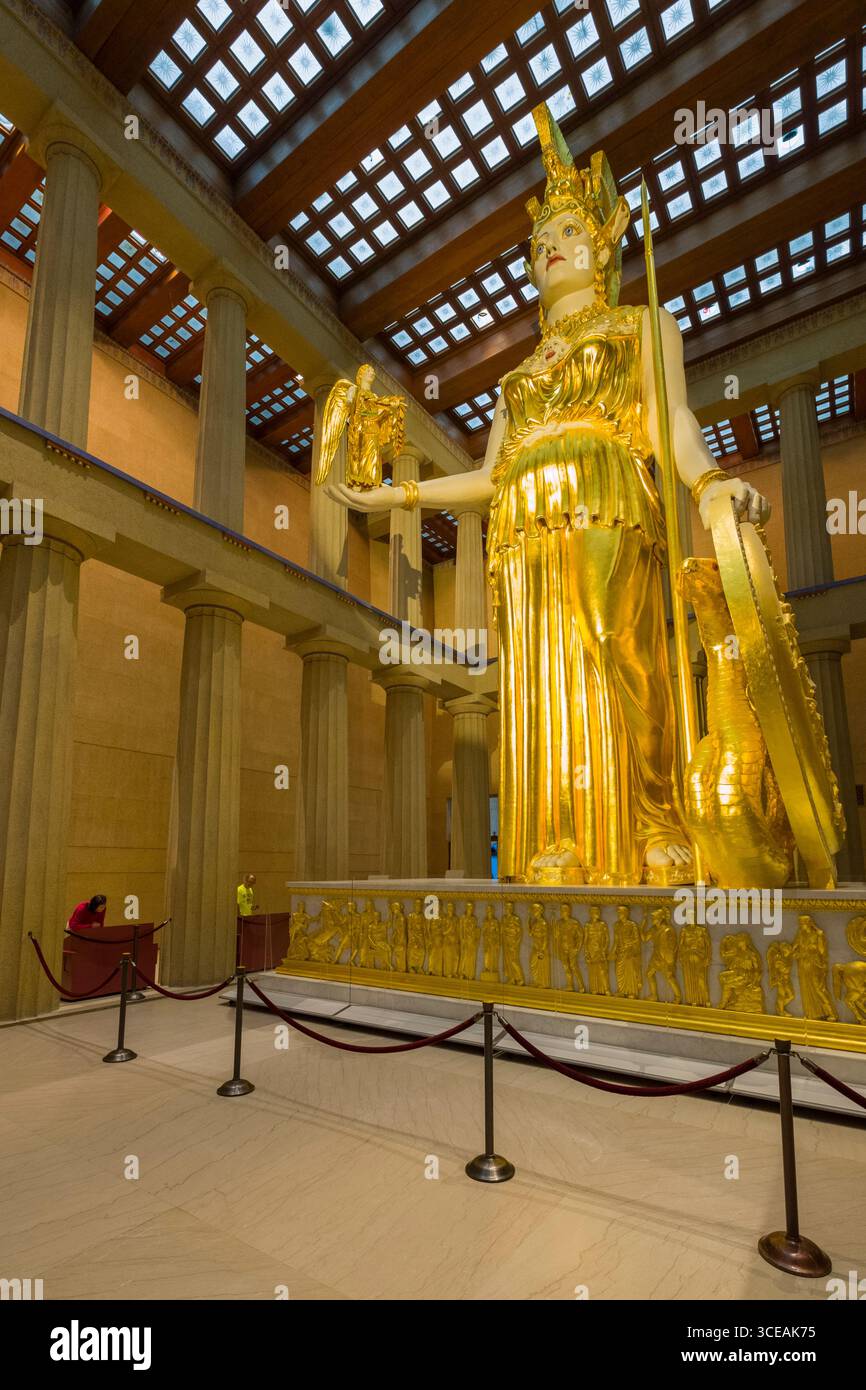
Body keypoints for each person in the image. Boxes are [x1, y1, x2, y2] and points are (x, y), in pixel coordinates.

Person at [326, 102, 769, 888]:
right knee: (546, 681)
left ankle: (654, 819)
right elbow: (492, 479)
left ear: (601, 246)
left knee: (619, 649)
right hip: (524, 530)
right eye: (539, 244)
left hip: (608, 498)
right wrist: (397, 498)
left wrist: (707, 483)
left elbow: (669, 416)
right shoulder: (515, 379)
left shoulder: (642, 325)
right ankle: (563, 834)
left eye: (566, 233)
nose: (549, 250)